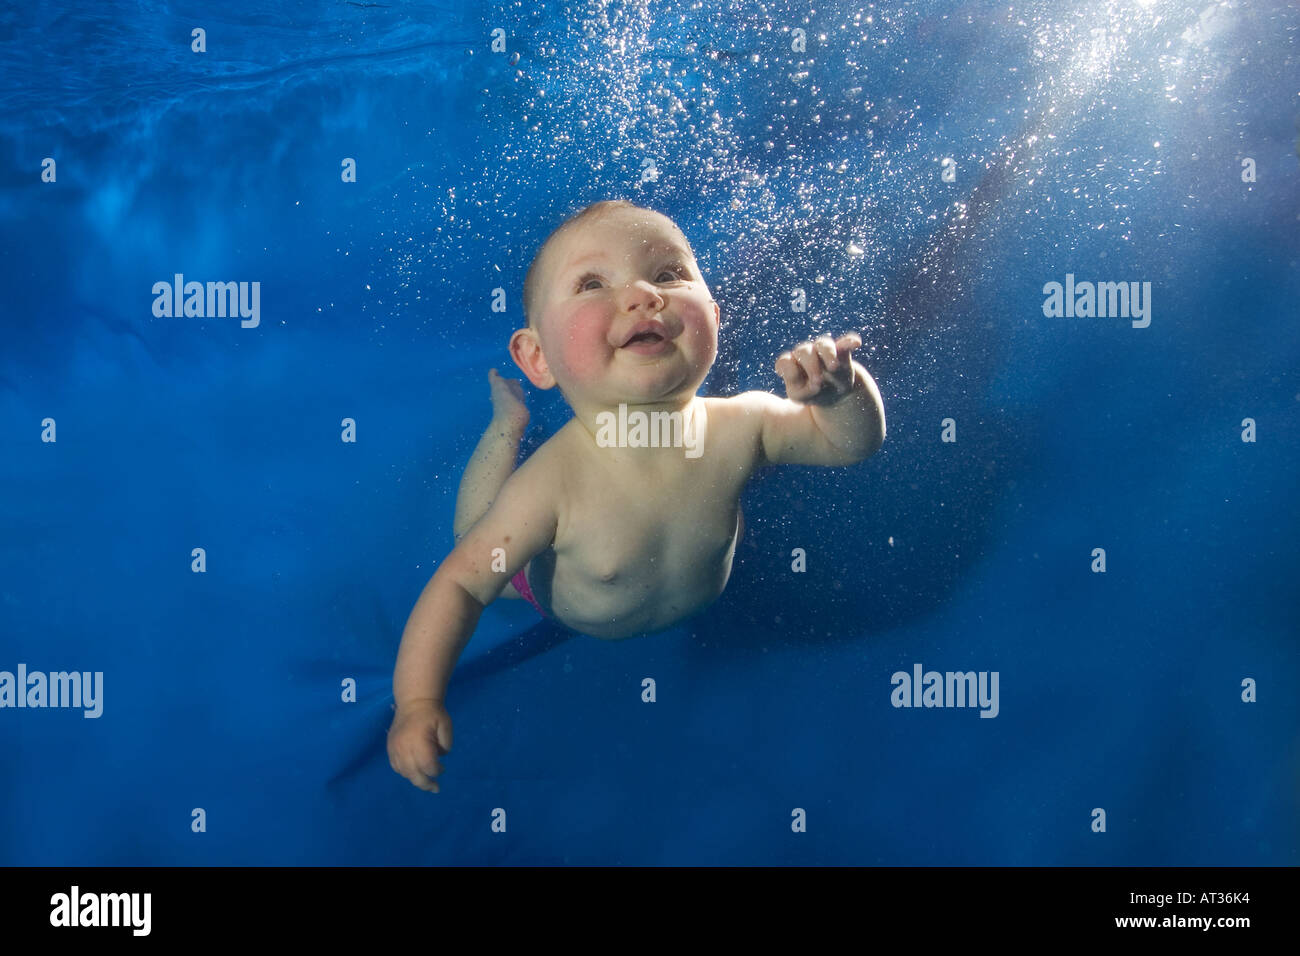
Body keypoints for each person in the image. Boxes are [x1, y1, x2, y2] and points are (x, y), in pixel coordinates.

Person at [388, 199, 885, 792]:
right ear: (537, 356)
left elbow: (847, 445)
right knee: (473, 536)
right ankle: (506, 423)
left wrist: (840, 394)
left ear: (716, 318)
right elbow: (462, 583)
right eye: (593, 283)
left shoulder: (745, 422)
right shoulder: (552, 482)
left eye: (671, 274)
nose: (644, 293)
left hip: (688, 588)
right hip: (551, 598)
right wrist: (417, 700)